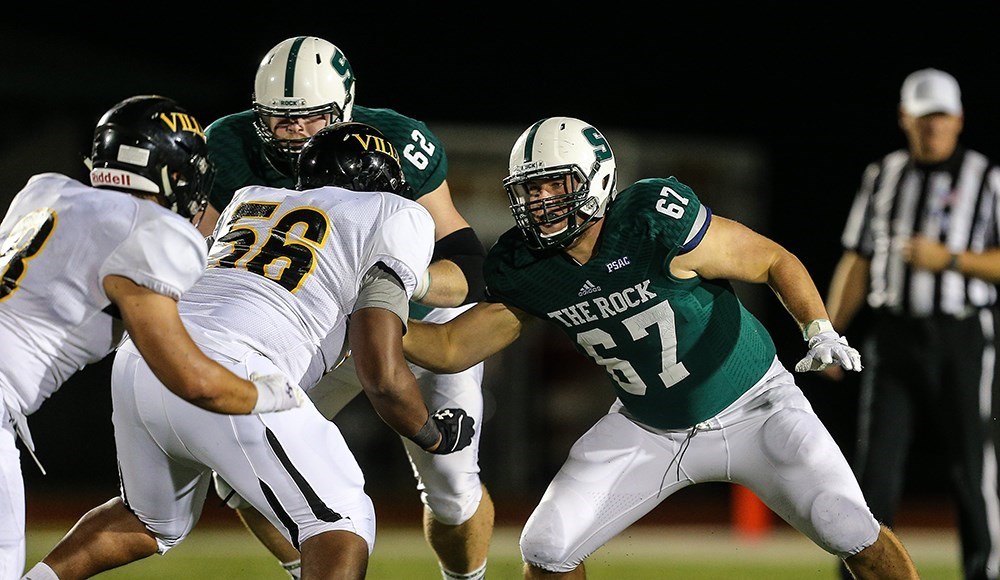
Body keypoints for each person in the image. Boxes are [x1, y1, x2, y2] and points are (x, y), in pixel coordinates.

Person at [401, 116, 922, 579]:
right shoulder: (527, 266)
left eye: (555, 185)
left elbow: (771, 260)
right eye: (530, 190)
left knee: (850, 527)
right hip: (648, 427)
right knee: (547, 547)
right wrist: (375, 328)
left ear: (597, 180)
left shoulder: (651, 219)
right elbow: (452, 346)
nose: (540, 202)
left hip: (758, 408)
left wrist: (818, 328)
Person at [21, 122, 476, 580]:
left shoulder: (251, 197)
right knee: (341, 523)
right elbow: (379, 366)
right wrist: (430, 433)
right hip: (235, 365)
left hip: (144, 358)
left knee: (146, 521)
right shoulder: (395, 211)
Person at [200, 36, 493, 580]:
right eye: (280, 121)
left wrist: (394, 281)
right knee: (241, 475)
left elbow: (468, 264)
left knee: (451, 489)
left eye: (311, 119)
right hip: (309, 323)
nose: (295, 134)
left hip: (414, 322)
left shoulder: (399, 141)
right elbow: (202, 259)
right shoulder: (228, 144)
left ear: (346, 106)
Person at [0, 94, 306, 580]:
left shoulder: (46, 192)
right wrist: (267, 394)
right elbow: (192, 379)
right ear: (174, 174)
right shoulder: (157, 231)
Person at [824, 68, 1000, 580]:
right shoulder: (883, 174)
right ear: (905, 118)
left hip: (964, 334)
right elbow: (857, 258)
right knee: (872, 474)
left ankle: (985, 572)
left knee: (975, 470)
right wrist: (830, 330)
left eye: (941, 116)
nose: (933, 127)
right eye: (923, 117)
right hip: (894, 336)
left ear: (959, 119)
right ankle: (864, 574)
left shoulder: (987, 178)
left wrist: (949, 260)